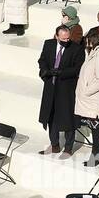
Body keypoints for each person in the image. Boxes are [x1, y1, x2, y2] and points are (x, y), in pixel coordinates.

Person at [38, 24, 82, 157]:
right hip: (50, 86)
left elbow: (77, 68)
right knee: (51, 116)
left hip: (66, 88)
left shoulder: (76, 48)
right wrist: (46, 70)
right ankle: (55, 145)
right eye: (63, 39)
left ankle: (68, 148)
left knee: (68, 117)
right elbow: (42, 60)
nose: (66, 41)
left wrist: (61, 72)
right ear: (57, 36)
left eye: (68, 38)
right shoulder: (49, 44)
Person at [75, 26, 99, 166]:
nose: (86, 44)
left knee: (97, 132)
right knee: (96, 131)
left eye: (88, 41)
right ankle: (97, 157)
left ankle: (96, 158)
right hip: (93, 102)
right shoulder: (95, 54)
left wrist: (86, 91)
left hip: (95, 101)